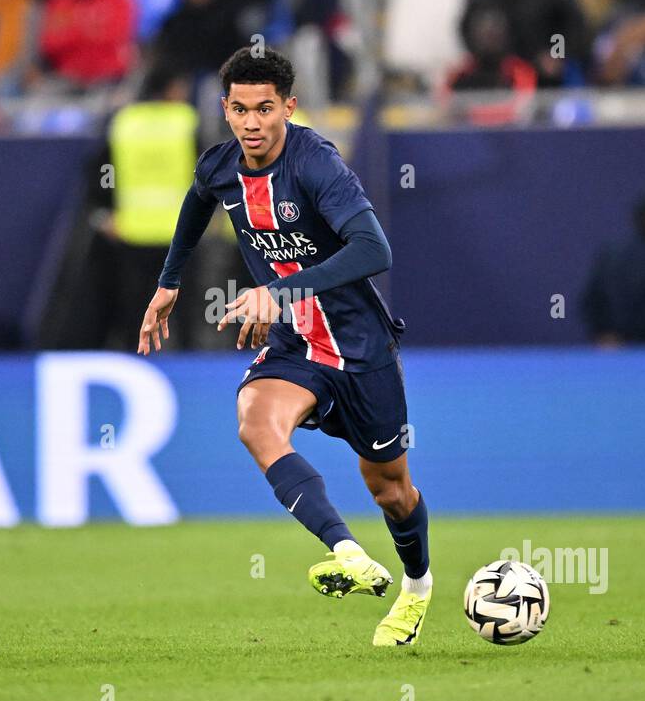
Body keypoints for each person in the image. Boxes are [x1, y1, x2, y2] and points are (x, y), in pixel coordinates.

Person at [137, 47, 432, 647]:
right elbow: (196, 205)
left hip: (358, 347)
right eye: (240, 109)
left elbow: (376, 250)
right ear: (225, 109)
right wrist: (169, 284)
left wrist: (281, 288)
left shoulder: (317, 163)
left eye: (265, 109)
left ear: (289, 107)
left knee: (391, 490)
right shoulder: (220, 167)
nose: (251, 123)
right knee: (255, 420)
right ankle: (347, 551)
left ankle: (417, 587)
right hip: (295, 341)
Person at [581, 196, 645, 346]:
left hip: (609, 345)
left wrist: (606, 334)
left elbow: (589, 301)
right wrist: (621, 338)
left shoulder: (609, 253)